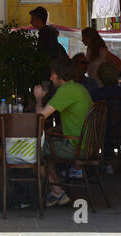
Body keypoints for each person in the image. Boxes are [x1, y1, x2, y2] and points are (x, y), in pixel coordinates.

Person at [31, 55, 94, 207]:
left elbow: (39, 118)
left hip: (76, 146)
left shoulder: (66, 90)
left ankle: (57, 190)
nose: (51, 78)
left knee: (32, 151)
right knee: (44, 147)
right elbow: (78, 119)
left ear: (61, 74)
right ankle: (57, 190)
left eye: (53, 74)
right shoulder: (79, 88)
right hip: (87, 143)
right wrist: (57, 129)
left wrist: (38, 98)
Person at [90, 61, 121, 168]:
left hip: (101, 133)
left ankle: (90, 161)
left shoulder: (97, 94)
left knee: (95, 127)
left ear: (100, 77)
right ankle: (109, 161)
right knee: (109, 125)